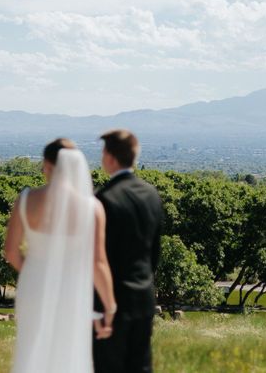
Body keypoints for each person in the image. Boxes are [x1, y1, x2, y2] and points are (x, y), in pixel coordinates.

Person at [4, 138, 117, 373]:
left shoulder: (25, 200)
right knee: (67, 352)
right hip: (71, 290)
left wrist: (38, 273)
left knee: (30, 349)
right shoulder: (92, 207)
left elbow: (12, 253)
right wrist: (109, 306)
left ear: (47, 164)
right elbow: (98, 262)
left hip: (34, 286)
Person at [93, 129, 164, 373]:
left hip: (111, 301)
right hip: (143, 296)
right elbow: (154, 251)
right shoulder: (152, 194)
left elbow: (98, 257)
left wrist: (99, 306)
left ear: (110, 157)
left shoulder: (103, 199)